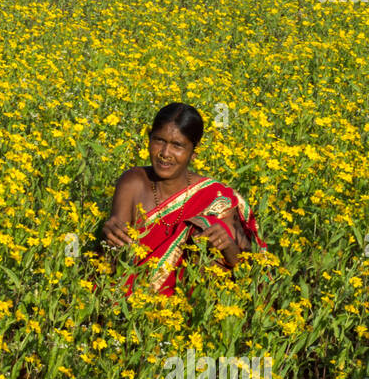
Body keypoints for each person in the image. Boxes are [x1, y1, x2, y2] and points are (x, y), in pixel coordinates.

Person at [101, 102, 265, 298]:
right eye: (159, 140)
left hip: (191, 312)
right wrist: (109, 236)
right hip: (132, 306)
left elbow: (253, 279)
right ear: (149, 139)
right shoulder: (133, 182)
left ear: (194, 152)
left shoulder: (216, 198)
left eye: (177, 145)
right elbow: (111, 258)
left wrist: (228, 247)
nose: (165, 153)